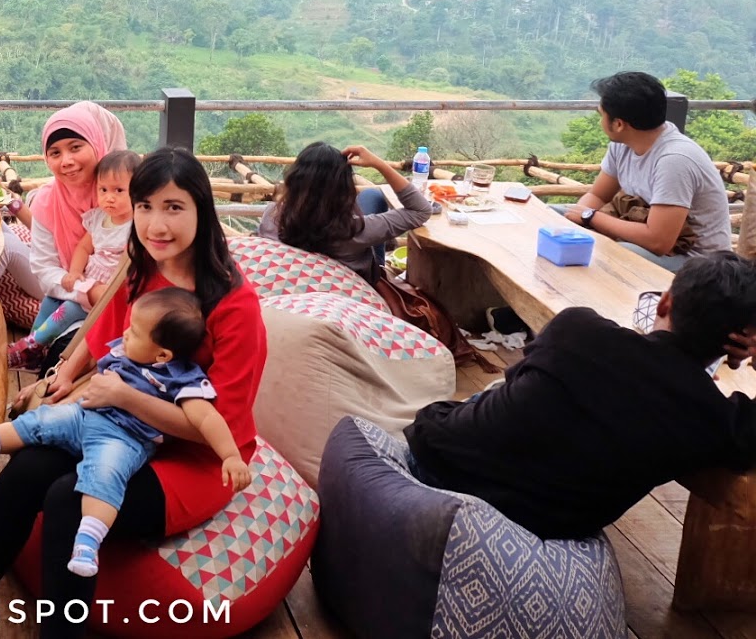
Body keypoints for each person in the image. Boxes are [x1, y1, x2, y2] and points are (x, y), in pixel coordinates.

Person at [0, 148, 267, 639]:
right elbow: (102, 329)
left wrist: (124, 398)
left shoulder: (236, 306)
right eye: (145, 206)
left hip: (195, 459)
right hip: (119, 430)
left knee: (69, 498)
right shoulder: (144, 267)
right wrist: (67, 373)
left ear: (202, 210)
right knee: (26, 468)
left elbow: (225, 426)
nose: (156, 224)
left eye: (174, 207)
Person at [405, 252, 756, 540]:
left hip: (436, 462)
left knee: (509, 389)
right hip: (539, 526)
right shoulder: (717, 418)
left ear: (665, 303)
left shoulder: (578, 328)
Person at [0, 288, 251, 578]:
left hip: (123, 439)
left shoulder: (182, 380)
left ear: (162, 355)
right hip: (86, 415)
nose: (126, 333)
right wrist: (65, 378)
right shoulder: (130, 349)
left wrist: (231, 456)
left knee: (104, 477)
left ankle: (88, 542)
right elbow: (95, 341)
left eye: (134, 331)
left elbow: (208, 419)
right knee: (40, 422)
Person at [563, 72, 732, 270]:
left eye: (602, 115)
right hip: (645, 239)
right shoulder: (623, 144)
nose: (600, 122)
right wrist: (573, 225)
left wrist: (590, 217)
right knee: (554, 216)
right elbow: (598, 195)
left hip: (696, 262)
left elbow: (658, 241)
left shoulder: (674, 160)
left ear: (618, 124)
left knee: (613, 253)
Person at [0, 102, 128, 324]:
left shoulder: (126, 197)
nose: (66, 161)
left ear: (97, 143)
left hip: (108, 304)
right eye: (55, 153)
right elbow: (45, 269)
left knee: (4, 244)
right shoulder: (49, 200)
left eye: (76, 148)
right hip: (66, 287)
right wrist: (88, 290)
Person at [7, 150, 140, 371]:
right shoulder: (99, 218)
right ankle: (32, 345)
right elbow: (84, 247)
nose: (109, 197)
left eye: (119, 191)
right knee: (50, 300)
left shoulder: (135, 226)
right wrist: (75, 272)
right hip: (87, 282)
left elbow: (131, 265)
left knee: (69, 307)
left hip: (109, 292)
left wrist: (110, 289)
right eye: (103, 190)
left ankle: (33, 345)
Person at [258, 143, 432, 284]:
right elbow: (420, 210)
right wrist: (379, 164)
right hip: (352, 288)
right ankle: (380, 265)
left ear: (292, 181)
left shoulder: (272, 216)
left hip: (296, 280)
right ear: (344, 188)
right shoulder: (356, 231)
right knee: (374, 196)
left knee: (371, 196)